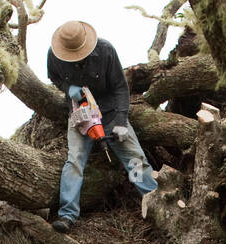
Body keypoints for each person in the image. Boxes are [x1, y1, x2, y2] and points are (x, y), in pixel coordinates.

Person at [46, 20, 158, 232]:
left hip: (109, 113)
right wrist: (68, 87)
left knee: (133, 159)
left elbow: (120, 88)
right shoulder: (54, 55)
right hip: (80, 116)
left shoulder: (106, 51)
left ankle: (155, 202)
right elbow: (54, 77)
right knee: (75, 161)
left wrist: (121, 122)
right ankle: (67, 215)